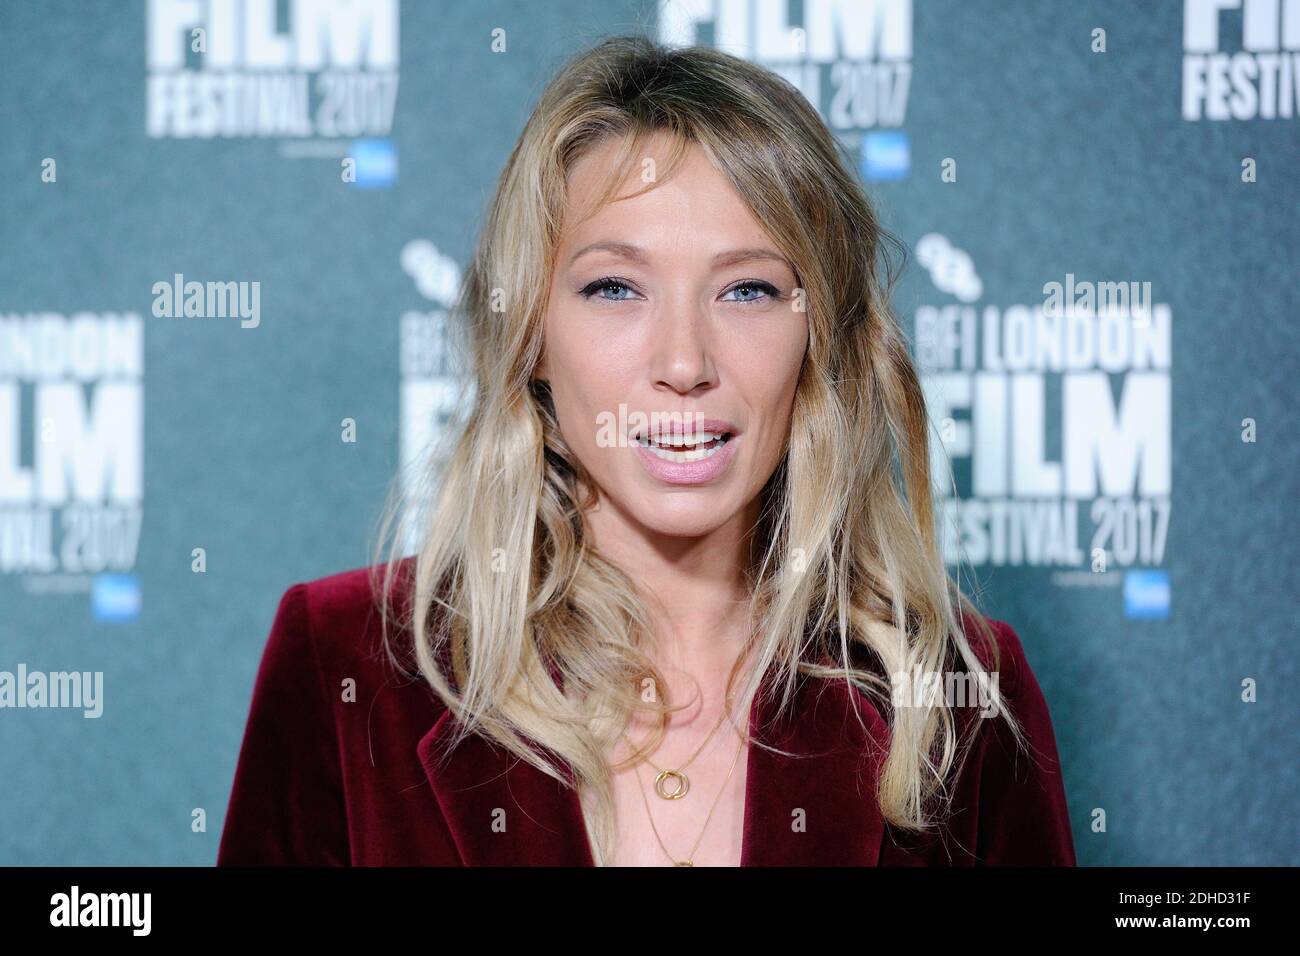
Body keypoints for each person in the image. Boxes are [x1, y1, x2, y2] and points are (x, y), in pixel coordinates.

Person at [217, 35, 1076, 867]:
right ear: (533, 337)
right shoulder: (344, 663)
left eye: (748, 289)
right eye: (614, 288)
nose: (683, 364)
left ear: (821, 339)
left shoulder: (962, 696)